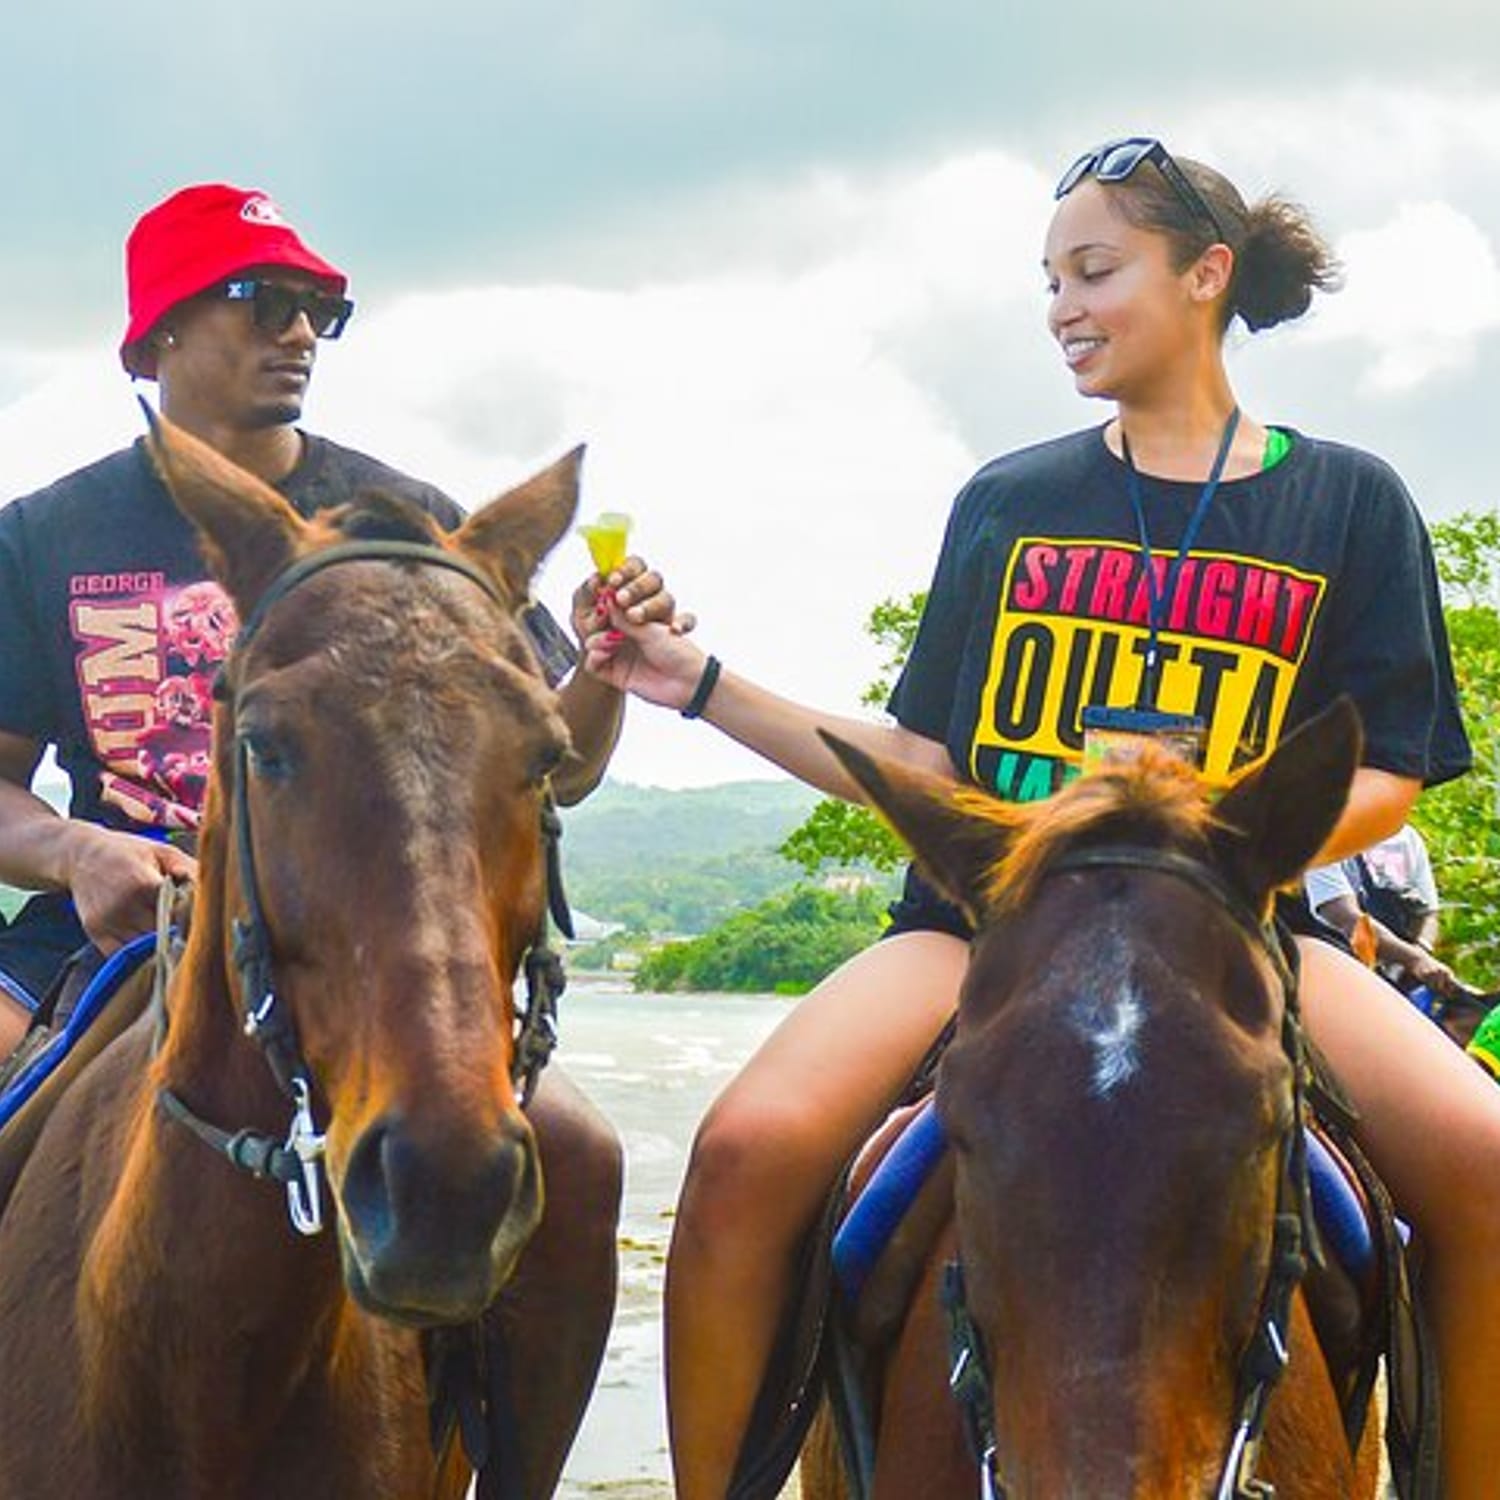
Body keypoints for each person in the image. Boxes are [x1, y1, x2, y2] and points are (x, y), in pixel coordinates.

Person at [585, 138, 1499, 1497]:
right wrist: (697, 686)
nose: (1062, 306)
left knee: (1484, 1164)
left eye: (1094, 271)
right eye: (1049, 281)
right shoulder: (1010, 502)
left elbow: (1397, 768)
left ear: (1206, 275)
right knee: (744, 1152)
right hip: (982, 929)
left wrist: (1212, 859)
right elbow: (920, 757)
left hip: (1242, 937)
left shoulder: (1349, 500)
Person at [0, 181, 682, 1496]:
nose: (297, 330)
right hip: (105, 936)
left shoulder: (415, 519)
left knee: (580, 1157)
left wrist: (599, 669)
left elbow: (559, 768)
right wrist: (79, 853)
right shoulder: (43, 537)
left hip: (362, 947)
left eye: (319, 308)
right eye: (259, 301)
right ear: (152, 341)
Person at [1305, 823, 1460, 996]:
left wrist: (1420, 953)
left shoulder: (1408, 838)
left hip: (1400, 973)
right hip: (1339, 968)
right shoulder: (1324, 839)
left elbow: (1428, 914)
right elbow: (1346, 917)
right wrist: (1414, 959)